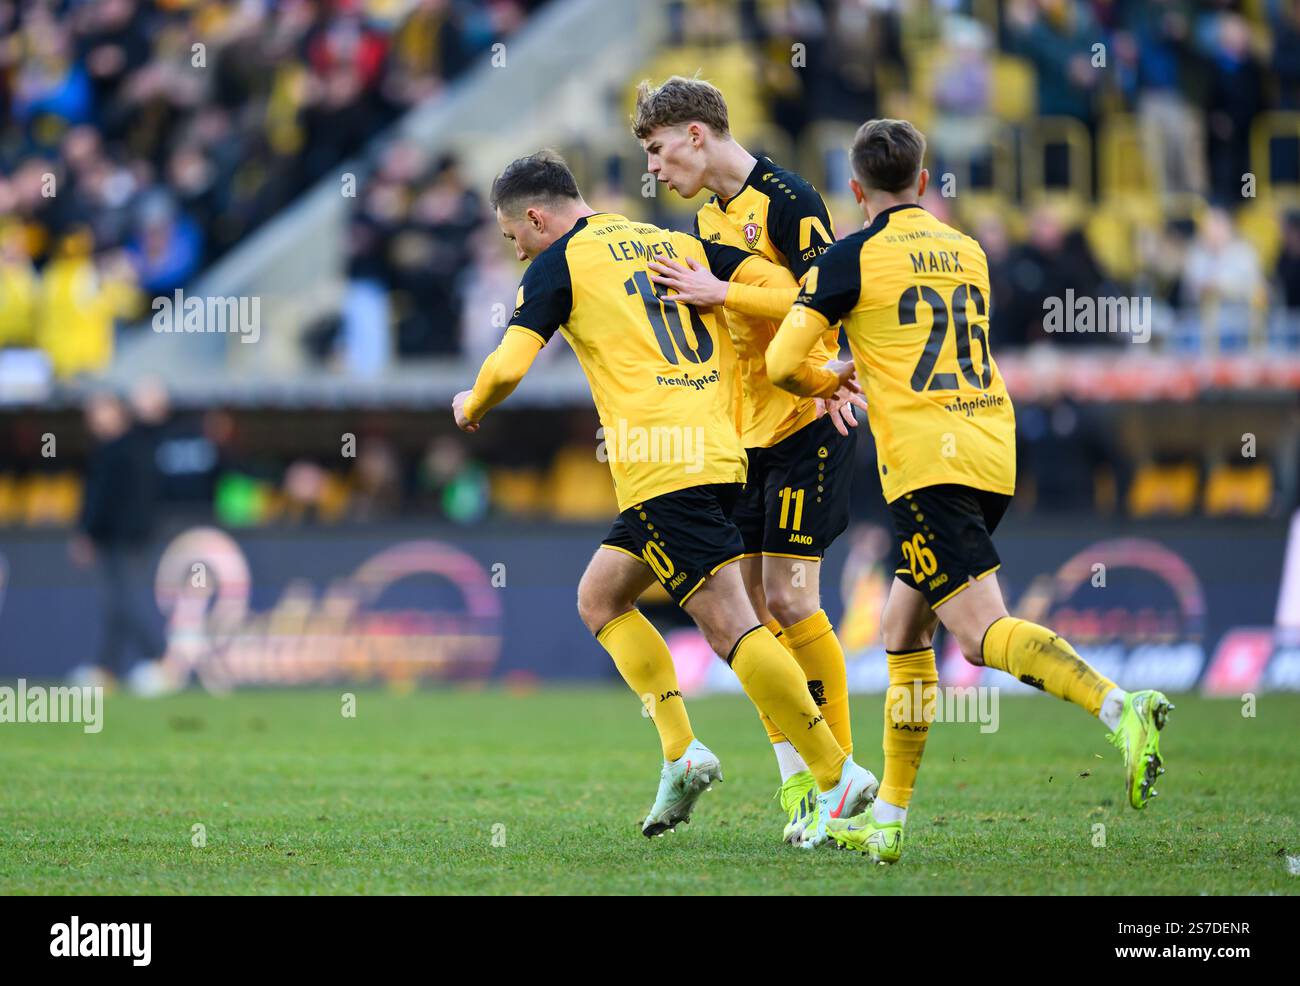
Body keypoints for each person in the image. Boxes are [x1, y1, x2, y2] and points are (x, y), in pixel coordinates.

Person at [765, 119, 1172, 864]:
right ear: (924, 183)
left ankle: (1121, 708)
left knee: (980, 634)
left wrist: (834, 377)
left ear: (856, 191)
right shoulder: (970, 249)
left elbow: (783, 361)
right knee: (902, 631)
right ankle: (886, 818)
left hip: (926, 464)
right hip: (991, 448)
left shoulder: (850, 257)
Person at [452, 150, 877, 840]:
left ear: (535, 218)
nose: (515, 250)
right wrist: (817, 364)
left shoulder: (559, 265)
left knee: (732, 626)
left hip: (661, 465)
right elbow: (794, 285)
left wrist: (472, 402)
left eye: (513, 237)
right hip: (720, 450)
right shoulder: (672, 241)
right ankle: (681, 753)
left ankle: (836, 773)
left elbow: (508, 364)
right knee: (601, 595)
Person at [630, 75, 865, 845]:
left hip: (806, 420)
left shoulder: (789, 197)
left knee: (793, 603)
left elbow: (822, 293)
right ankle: (800, 781)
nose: (657, 171)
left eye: (661, 152)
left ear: (697, 134)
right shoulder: (708, 215)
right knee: (758, 616)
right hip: (747, 437)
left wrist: (721, 289)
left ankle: (842, 781)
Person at [73, 390, 165, 682]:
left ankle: (160, 661)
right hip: (114, 539)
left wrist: (88, 531)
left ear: (117, 412)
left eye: (100, 410)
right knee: (116, 605)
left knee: (127, 603)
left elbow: (105, 500)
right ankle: (107, 668)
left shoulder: (129, 448)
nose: (94, 419)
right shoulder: (109, 449)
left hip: (125, 539)